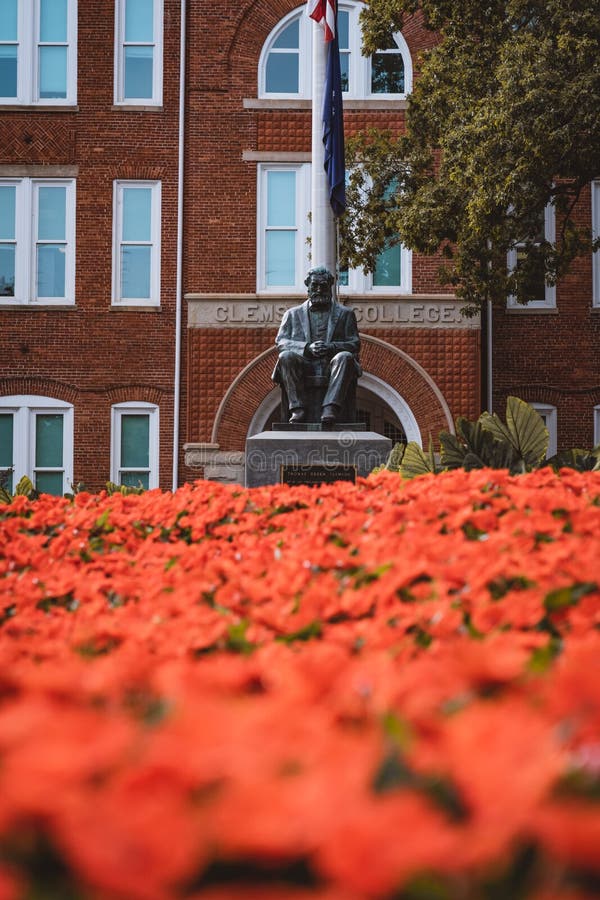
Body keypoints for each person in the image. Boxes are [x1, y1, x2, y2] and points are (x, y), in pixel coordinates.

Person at [272, 267, 361, 425]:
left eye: (323, 286)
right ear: (308, 286)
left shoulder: (345, 314)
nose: (319, 290)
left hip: (332, 366)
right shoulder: (292, 314)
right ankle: (297, 409)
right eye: (315, 285)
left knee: (345, 357)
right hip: (303, 365)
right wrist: (307, 348)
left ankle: (330, 407)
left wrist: (331, 347)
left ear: (330, 286)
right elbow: (281, 342)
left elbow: (354, 343)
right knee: (285, 356)